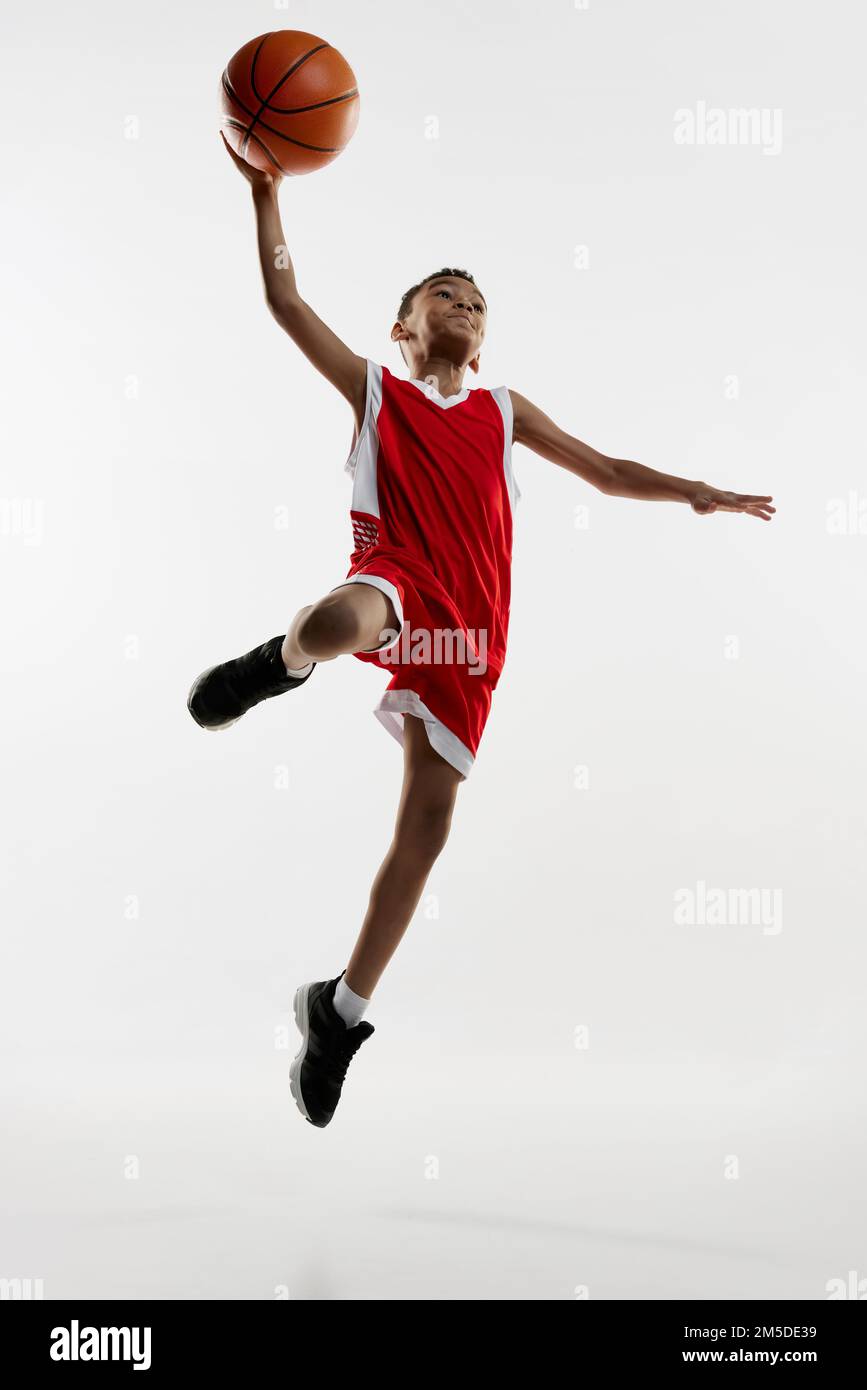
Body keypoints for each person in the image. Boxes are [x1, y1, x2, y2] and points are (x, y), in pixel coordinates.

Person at [188, 134, 776, 1128]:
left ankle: (338, 1012)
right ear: (404, 328)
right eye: (444, 298)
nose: (465, 308)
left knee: (426, 829)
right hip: (398, 581)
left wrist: (694, 491)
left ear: (484, 340)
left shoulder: (502, 409)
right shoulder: (380, 390)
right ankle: (278, 663)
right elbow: (286, 305)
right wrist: (265, 197)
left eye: (477, 303)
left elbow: (602, 468)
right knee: (341, 617)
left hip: (468, 635)